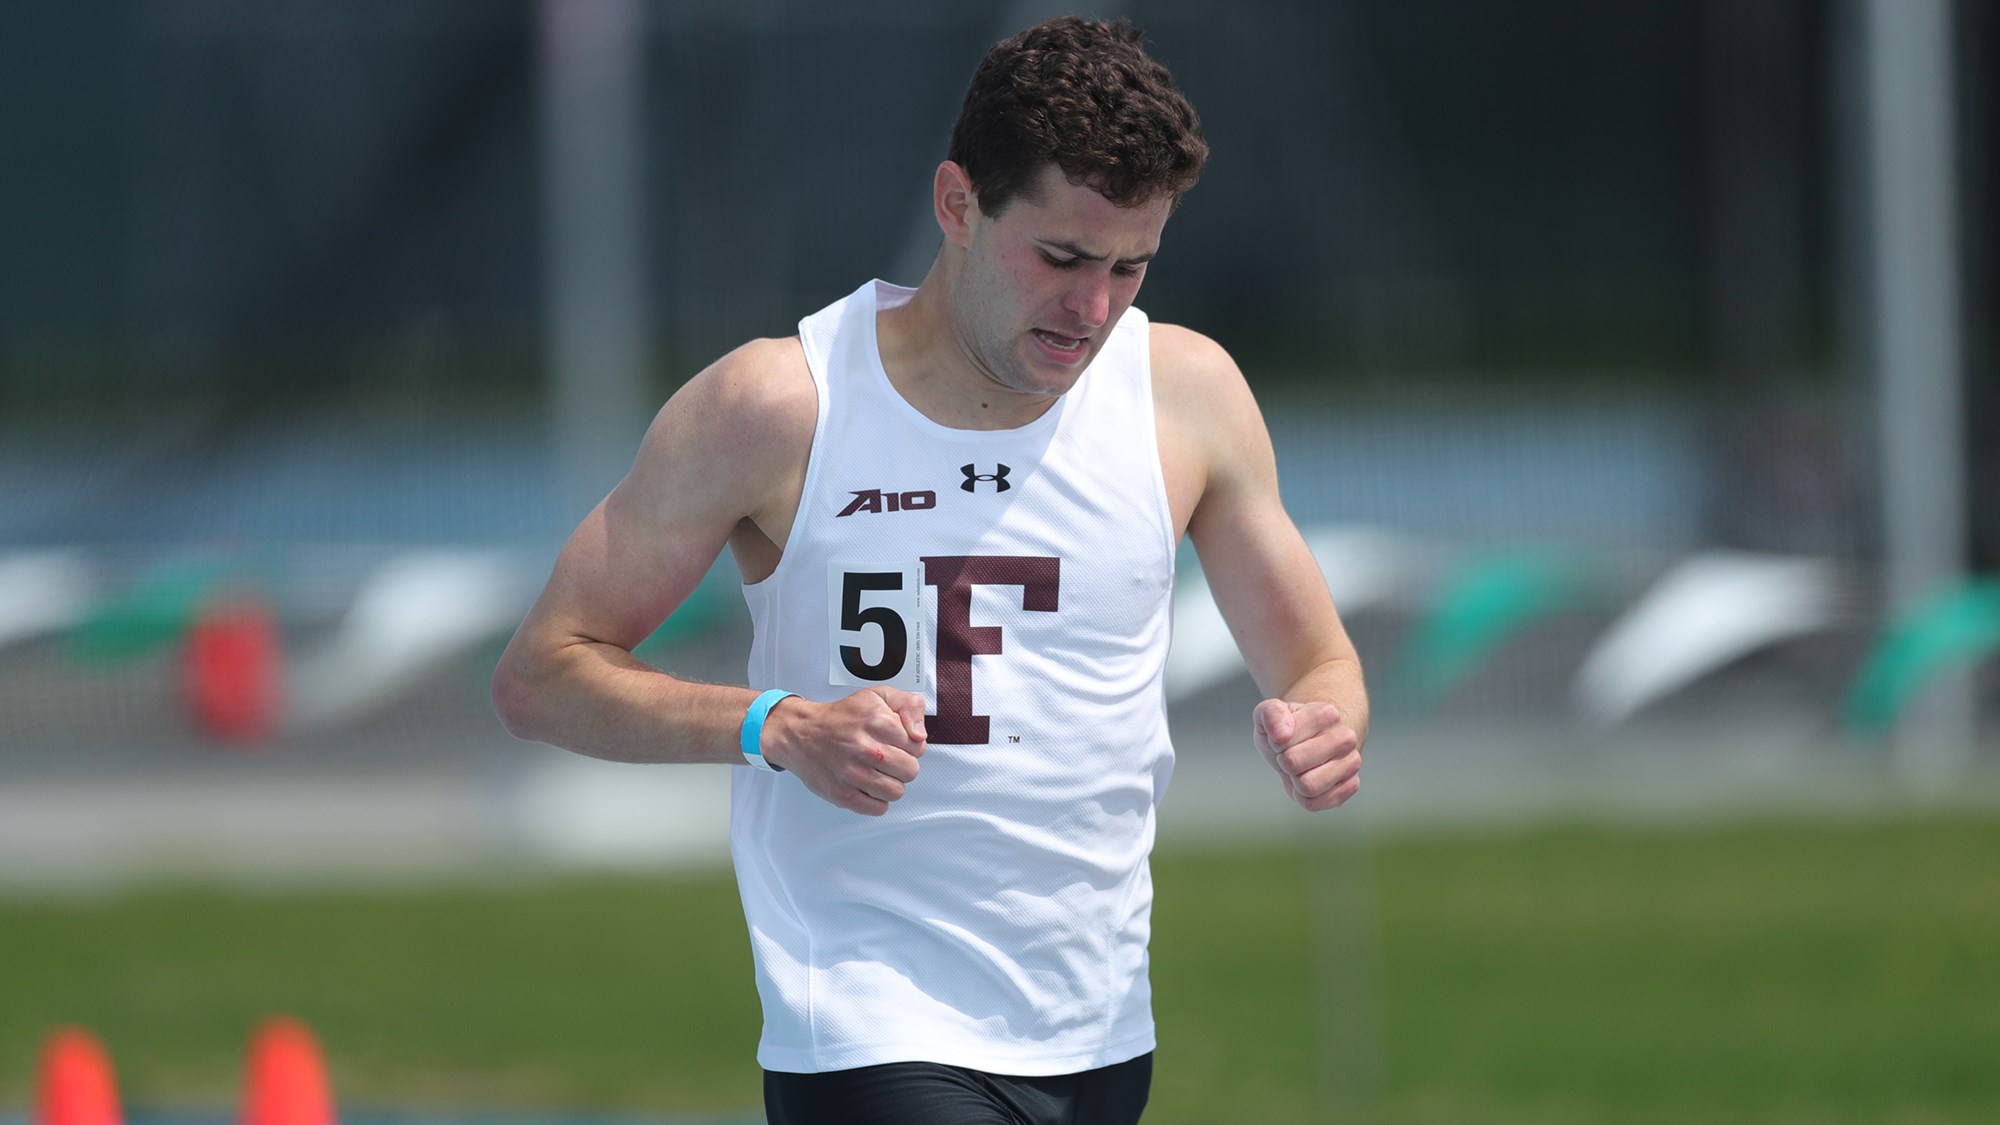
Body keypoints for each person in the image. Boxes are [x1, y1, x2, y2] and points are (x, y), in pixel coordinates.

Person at [493, 15, 1366, 1124]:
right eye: (1060, 258)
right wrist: (775, 725)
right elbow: (542, 675)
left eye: (1129, 266)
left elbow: (1317, 660)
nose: (1093, 308)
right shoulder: (779, 406)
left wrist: (1326, 726)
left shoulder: (1185, 396)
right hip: (871, 1025)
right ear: (958, 204)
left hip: (1098, 1026)